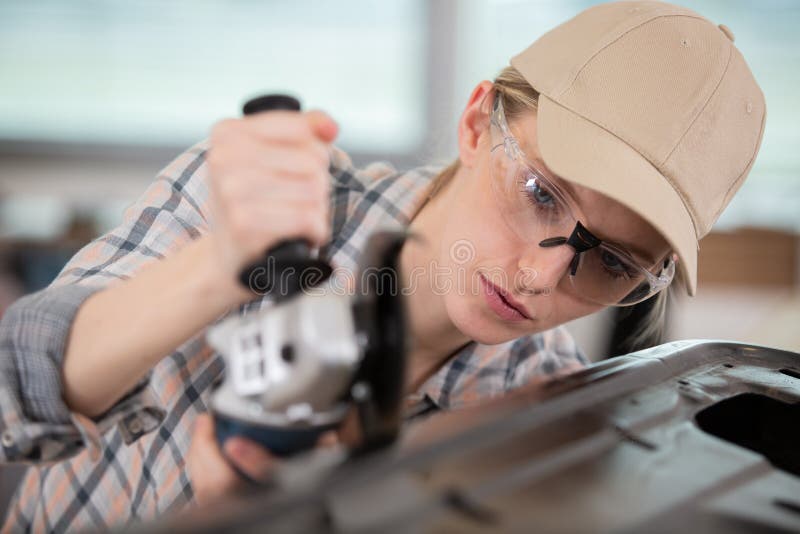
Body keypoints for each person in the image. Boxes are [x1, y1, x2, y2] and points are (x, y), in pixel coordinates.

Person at [0, 1, 765, 531]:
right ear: (475, 123)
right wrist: (214, 269)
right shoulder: (257, 200)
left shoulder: (545, 414)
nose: (539, 277)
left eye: (613, 264)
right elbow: (12, 397)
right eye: (540, 194)